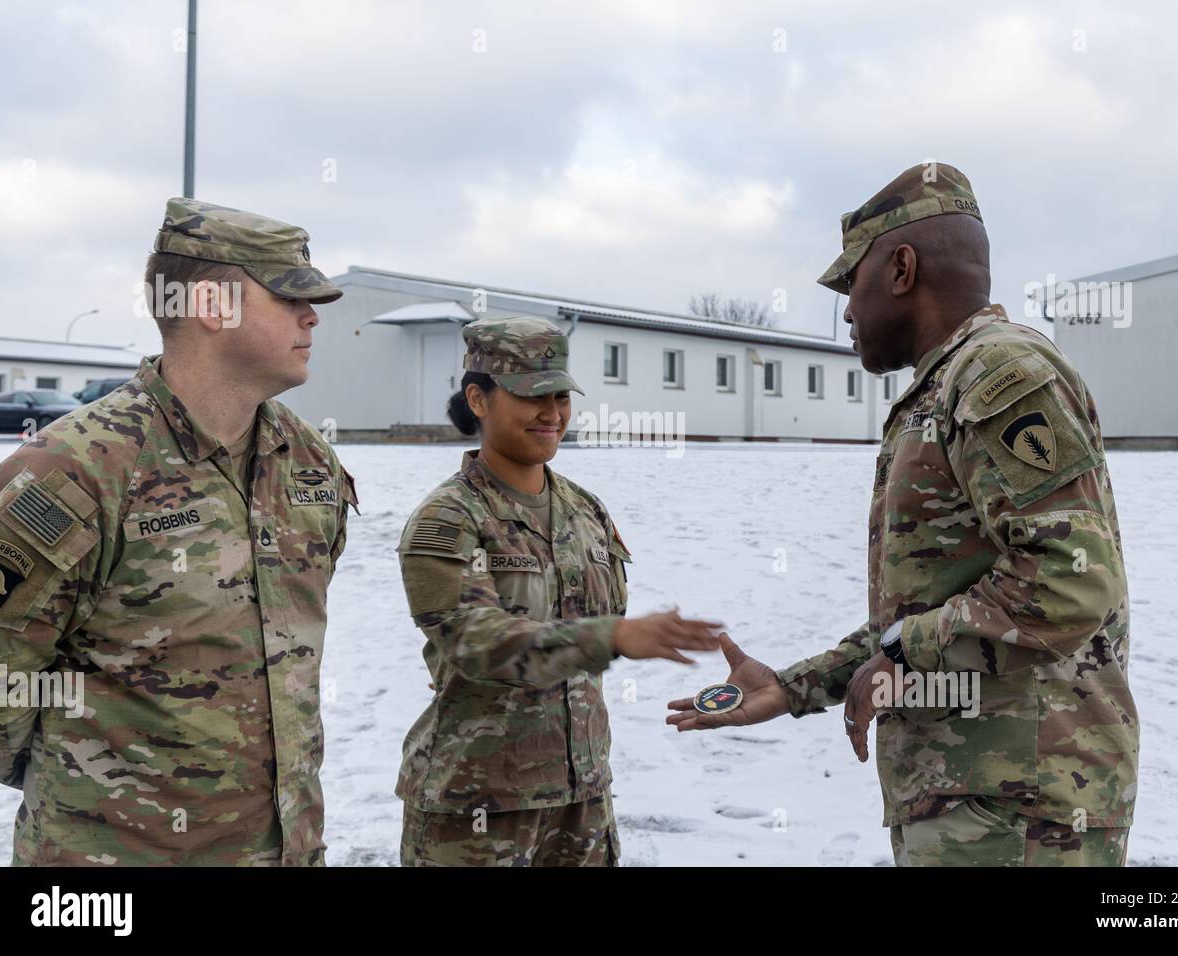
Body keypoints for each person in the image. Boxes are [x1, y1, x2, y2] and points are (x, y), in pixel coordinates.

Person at [667, 163, 1138, 867]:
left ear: (901, 269)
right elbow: (939, 612)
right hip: (978, 801)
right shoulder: (944, 388)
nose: (849, 312)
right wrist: (796, 686)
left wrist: (902, 649)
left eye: (849, 286)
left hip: (1022, 812)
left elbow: (1069, 583)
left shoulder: (1000, 378)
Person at [0, 198, 357, 865]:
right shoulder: (76, 469)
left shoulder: (310, 462)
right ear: (213, 306)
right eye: (288, 297)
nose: (312, 316)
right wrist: (88, 786)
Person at [396, 315, 723, 866]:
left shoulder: (585, 509)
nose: (553, 413)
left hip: (582, 798)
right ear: (478, 398)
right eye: (532, 397)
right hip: (477, 806)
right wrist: (613, 635)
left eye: (560, 395)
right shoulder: (448, 518)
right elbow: (477, 641)